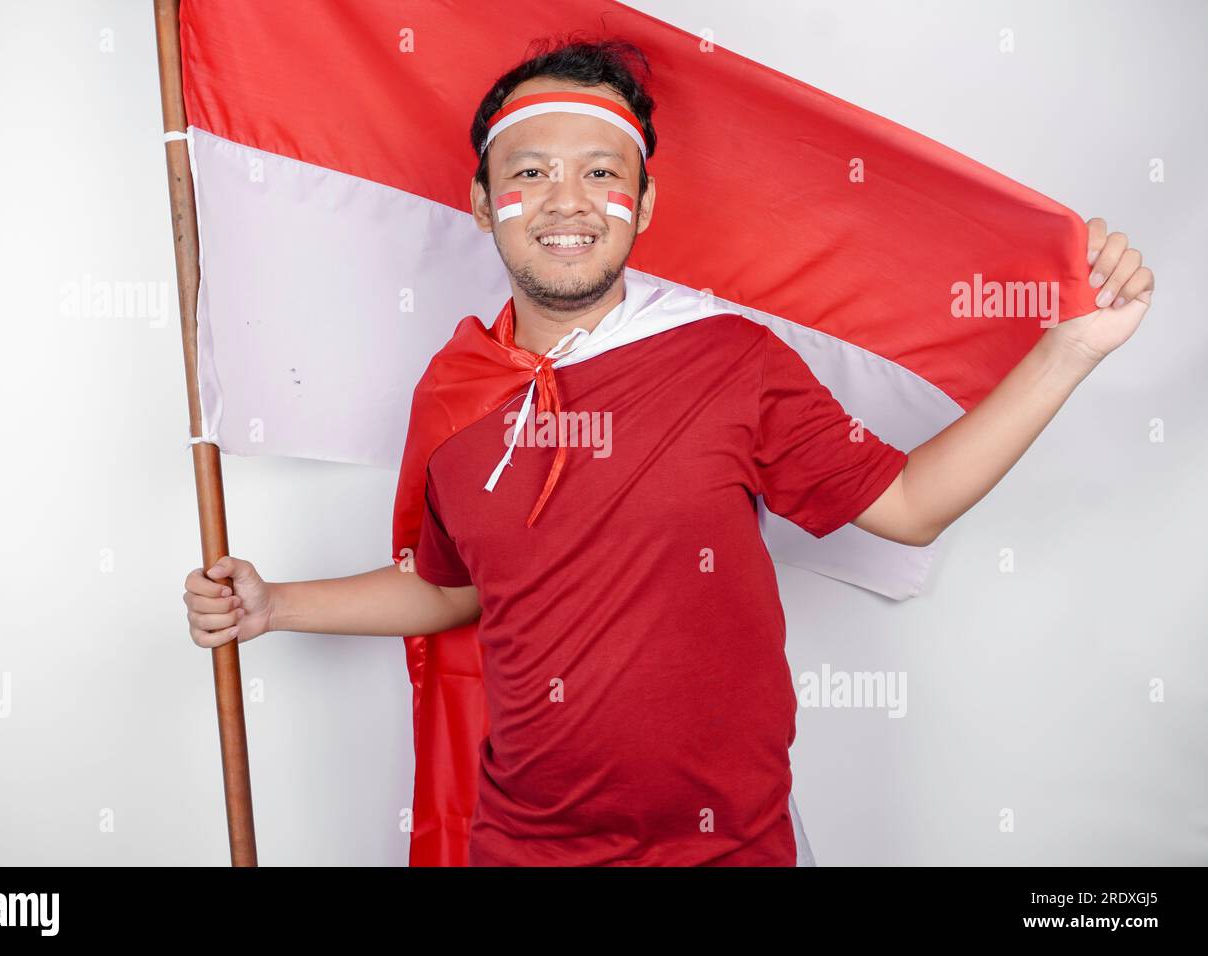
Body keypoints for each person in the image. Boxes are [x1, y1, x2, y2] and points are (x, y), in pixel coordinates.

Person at [182, 40, 1154, 866]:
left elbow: (908, 501)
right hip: (522, 844)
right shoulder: (453, 392)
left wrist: (1066, 348)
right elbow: (450, 590)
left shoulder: (729, 358)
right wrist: (275, 606)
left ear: (642, 206)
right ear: (480, 203)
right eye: (529, 171)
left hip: (728, 846)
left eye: (602, 170)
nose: (567, 197)